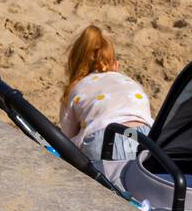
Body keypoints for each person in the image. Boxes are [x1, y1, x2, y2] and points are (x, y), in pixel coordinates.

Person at [59, 25, 152, 166]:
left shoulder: (76, 88)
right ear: (116, 65)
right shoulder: (129, 83)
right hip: (145, 136)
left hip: (103, 138)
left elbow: (66, 137)